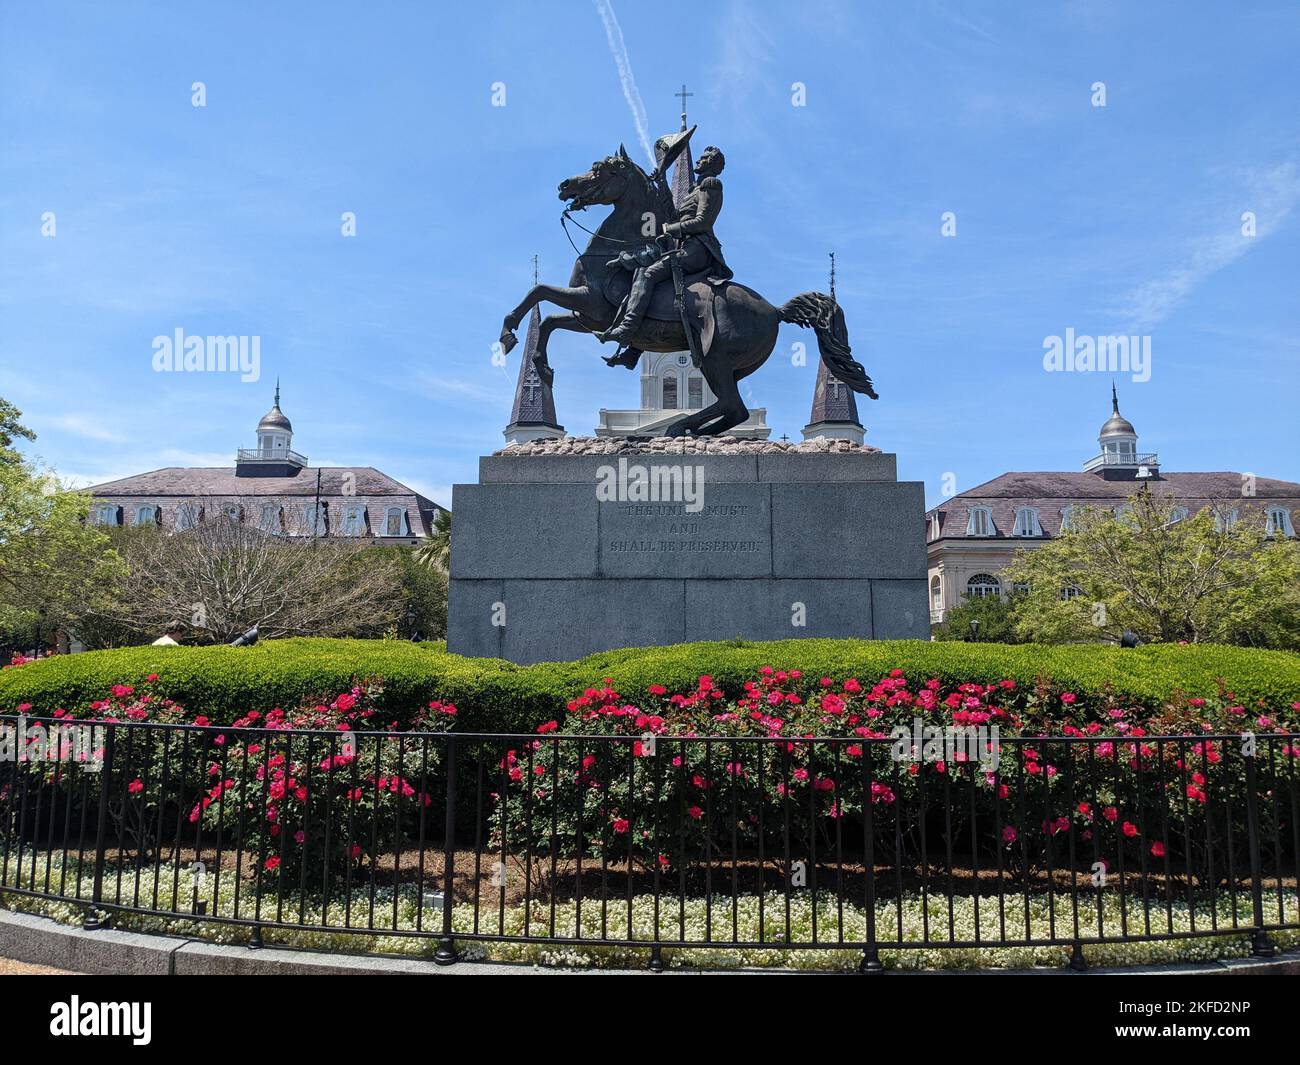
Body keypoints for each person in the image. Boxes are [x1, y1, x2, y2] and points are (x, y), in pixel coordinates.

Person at [598, 144, 732, 347]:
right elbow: (673, 214)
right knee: (642, 270)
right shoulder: (694, 190)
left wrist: (670, 228)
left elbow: (703, 222)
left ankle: (627, 329)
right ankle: (636, 347)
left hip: (698, 249)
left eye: (704, 158)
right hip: (683, 246)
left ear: (712, 163)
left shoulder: (711, 184)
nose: (699, 160)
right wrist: (662, 183)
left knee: (650, 273)